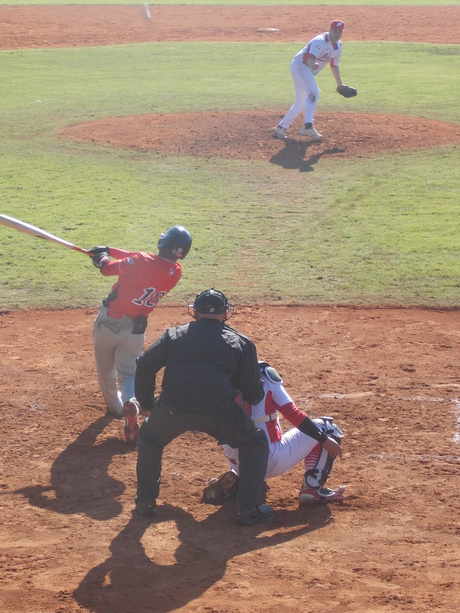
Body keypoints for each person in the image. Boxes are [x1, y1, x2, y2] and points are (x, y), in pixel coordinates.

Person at [132, 288, 273, 526]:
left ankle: (146, 502)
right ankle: (248, 508)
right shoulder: (241, 342)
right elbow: (254, 395)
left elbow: (145, 366)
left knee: (150, 438)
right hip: (219, 413)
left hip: (172, 410)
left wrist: (148, 404)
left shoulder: (173, 335)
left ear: (194, 311)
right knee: (254, 442)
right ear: (225, 313)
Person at [88, 225, 192, 444]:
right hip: (136, 330)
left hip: (109, 324)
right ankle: (132, 402)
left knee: (106, 369)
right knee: (128, 373)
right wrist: (109, 249)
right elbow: (138, 260)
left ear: (164, 243)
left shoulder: (142, 262)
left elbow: (107, 269)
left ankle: (116, 408)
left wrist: (103, 258)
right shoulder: (176, 271)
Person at [203, 361, 346, 506]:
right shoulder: (265, 377)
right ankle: (312, 488)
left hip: (236, 461)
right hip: (268, 461)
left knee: (239, 434)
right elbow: (293, 414)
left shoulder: (219, 378)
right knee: (328, 428)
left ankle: (237, 479)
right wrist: (323, 439)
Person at [272, 19, 349, 143]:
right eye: (335, 31)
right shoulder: (319, 41)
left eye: (339, 32)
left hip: (306, 69)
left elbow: (334, 65)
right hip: (300, 66)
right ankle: (308, 126)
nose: (337, 34)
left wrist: (339, 84)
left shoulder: (338, 46)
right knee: (313, 93)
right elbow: (309, 60)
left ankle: (281, 128)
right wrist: (313, 66)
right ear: (330, 30)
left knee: (302, 101)